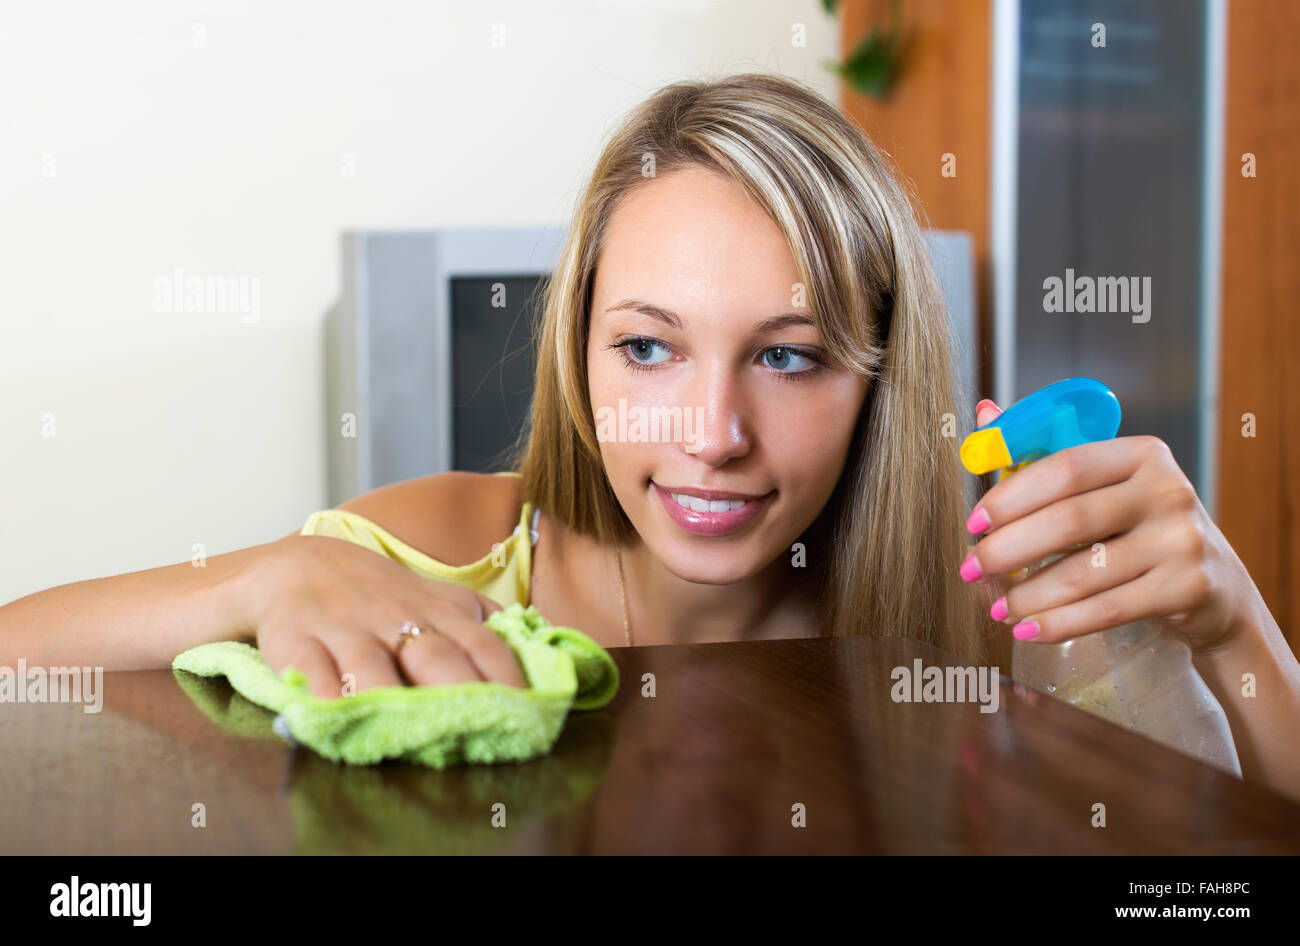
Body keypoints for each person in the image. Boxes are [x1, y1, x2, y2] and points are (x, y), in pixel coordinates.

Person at [2, 73, 1296, 800]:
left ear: (884, 377)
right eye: (648, 347)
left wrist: (1229, 618)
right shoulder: (438, 557)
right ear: (576, 353)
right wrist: (258, 575)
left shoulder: (981, 604)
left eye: (787, 355)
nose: (712, 432)